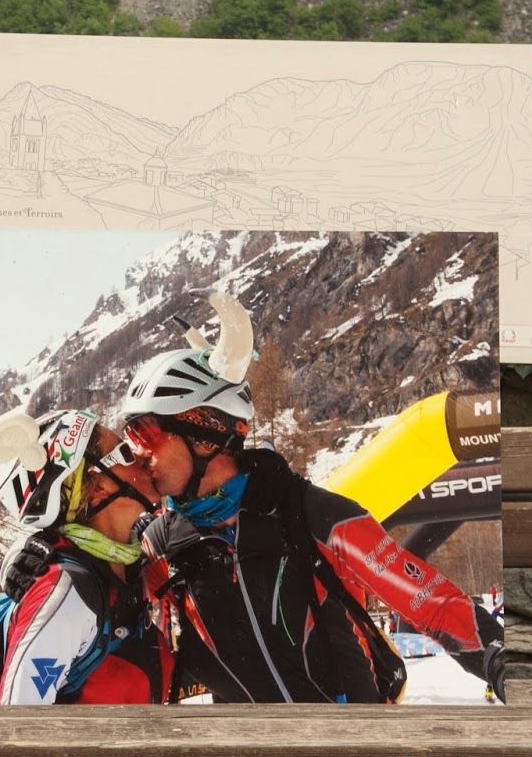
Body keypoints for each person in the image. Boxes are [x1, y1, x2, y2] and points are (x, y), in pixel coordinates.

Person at [121, 300, 507, 704]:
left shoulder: (312, 514)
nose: (139, 453)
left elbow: (433, 605)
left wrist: (502, 663)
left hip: (349, 750)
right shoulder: (160, 542)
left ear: (203, 432)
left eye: (146, 433)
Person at [0, 407, 169, 706]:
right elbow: (19, 729)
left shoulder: (134, 564)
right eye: (124, 452)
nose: (141, 454)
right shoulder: (67, 592)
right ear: (99, 487)